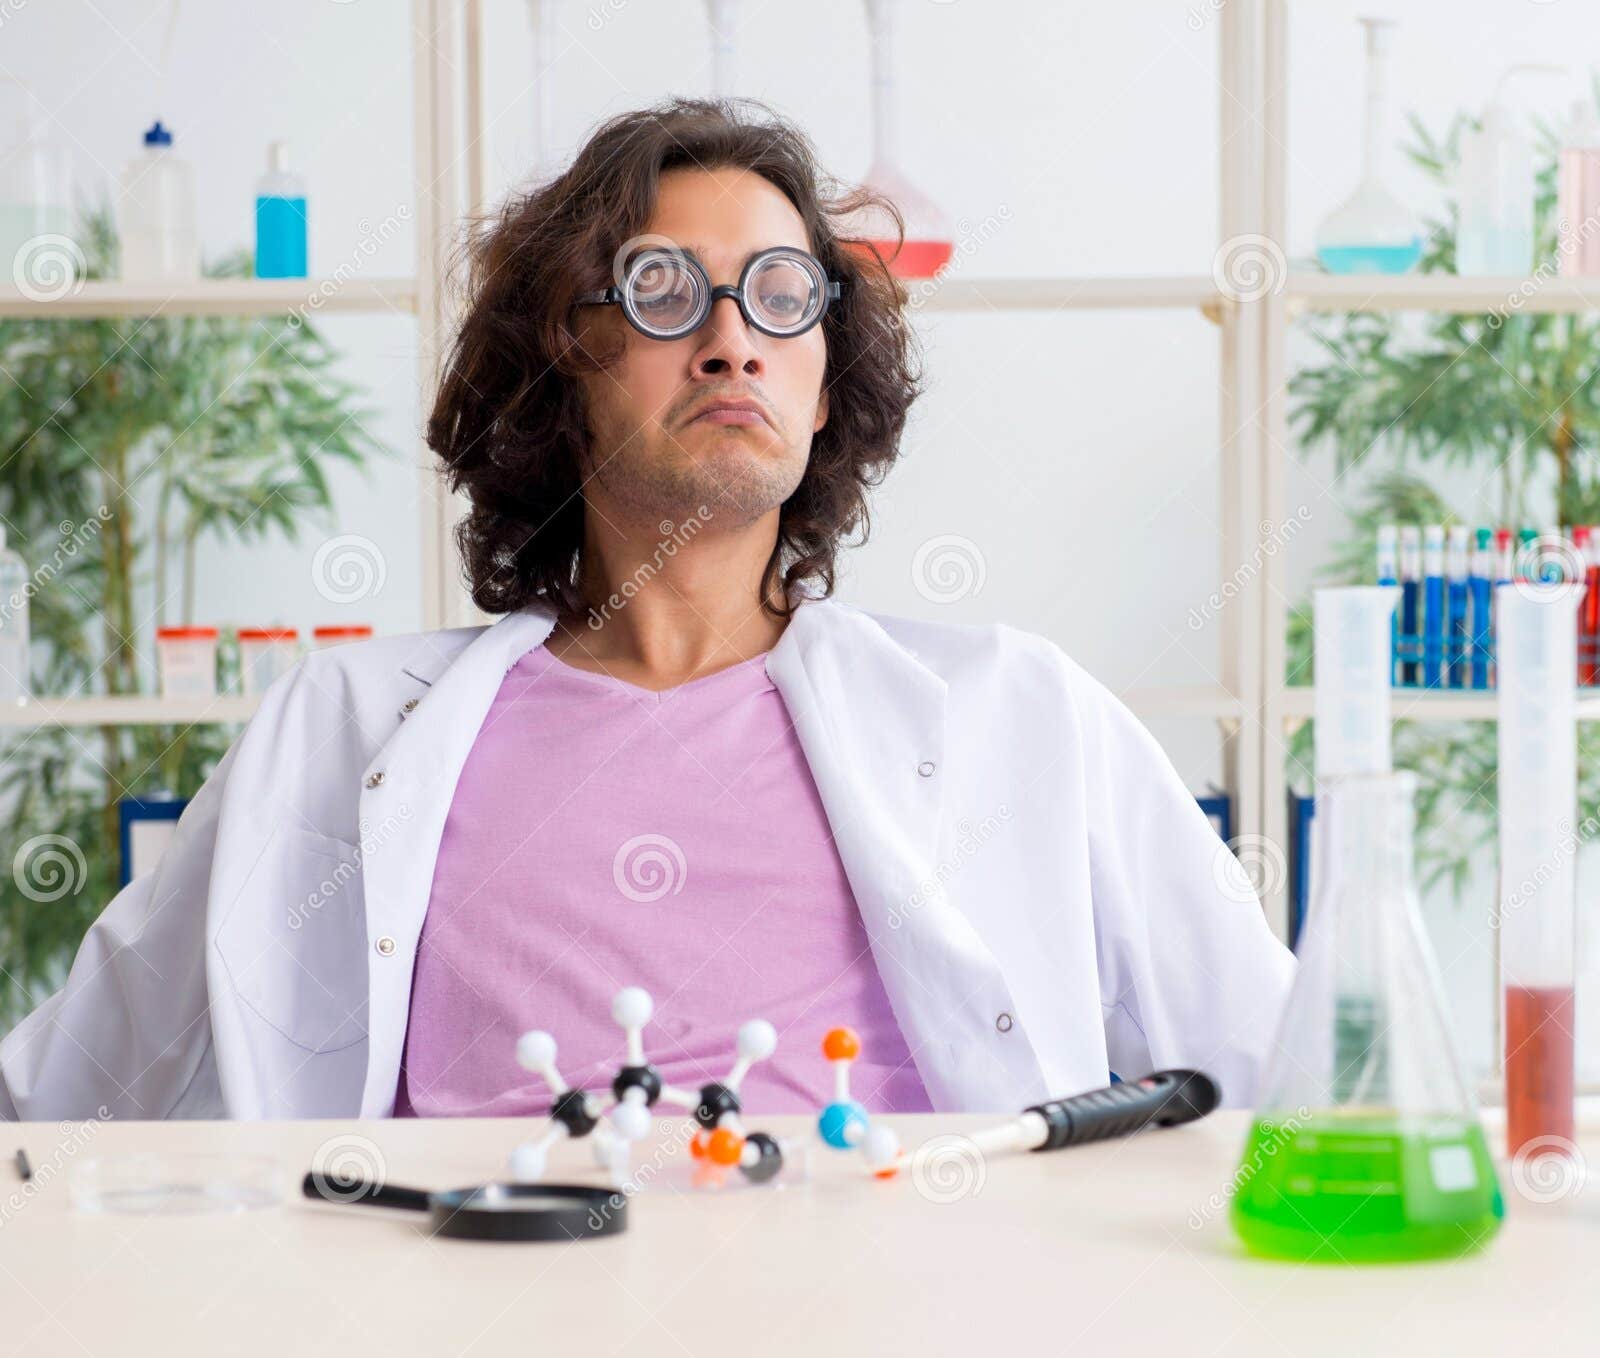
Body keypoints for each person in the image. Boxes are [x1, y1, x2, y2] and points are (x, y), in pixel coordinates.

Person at [0, 99, 1294, 1122]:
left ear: (828, 383)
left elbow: (1294, 1076)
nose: (733, 339)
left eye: (783, 296)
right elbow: (59, 1090)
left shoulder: (1020, 712)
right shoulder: (338, 732)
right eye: (666, 292)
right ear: (560, 364)